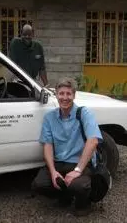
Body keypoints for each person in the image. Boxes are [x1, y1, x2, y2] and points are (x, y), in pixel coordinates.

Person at [31, 77, 103, 216]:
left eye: (69, 94)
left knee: (79, 186)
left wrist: (77, 170)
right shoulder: (49, 118)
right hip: (60, 163)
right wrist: (52, 172)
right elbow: (47, 145)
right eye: (61, 93)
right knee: (39, 184)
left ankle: (84, 204)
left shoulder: (84, 113)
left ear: (74, 95)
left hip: (80, 163)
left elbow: (93, 141)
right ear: (56, 95)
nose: (65, 97)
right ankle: (65, 196)